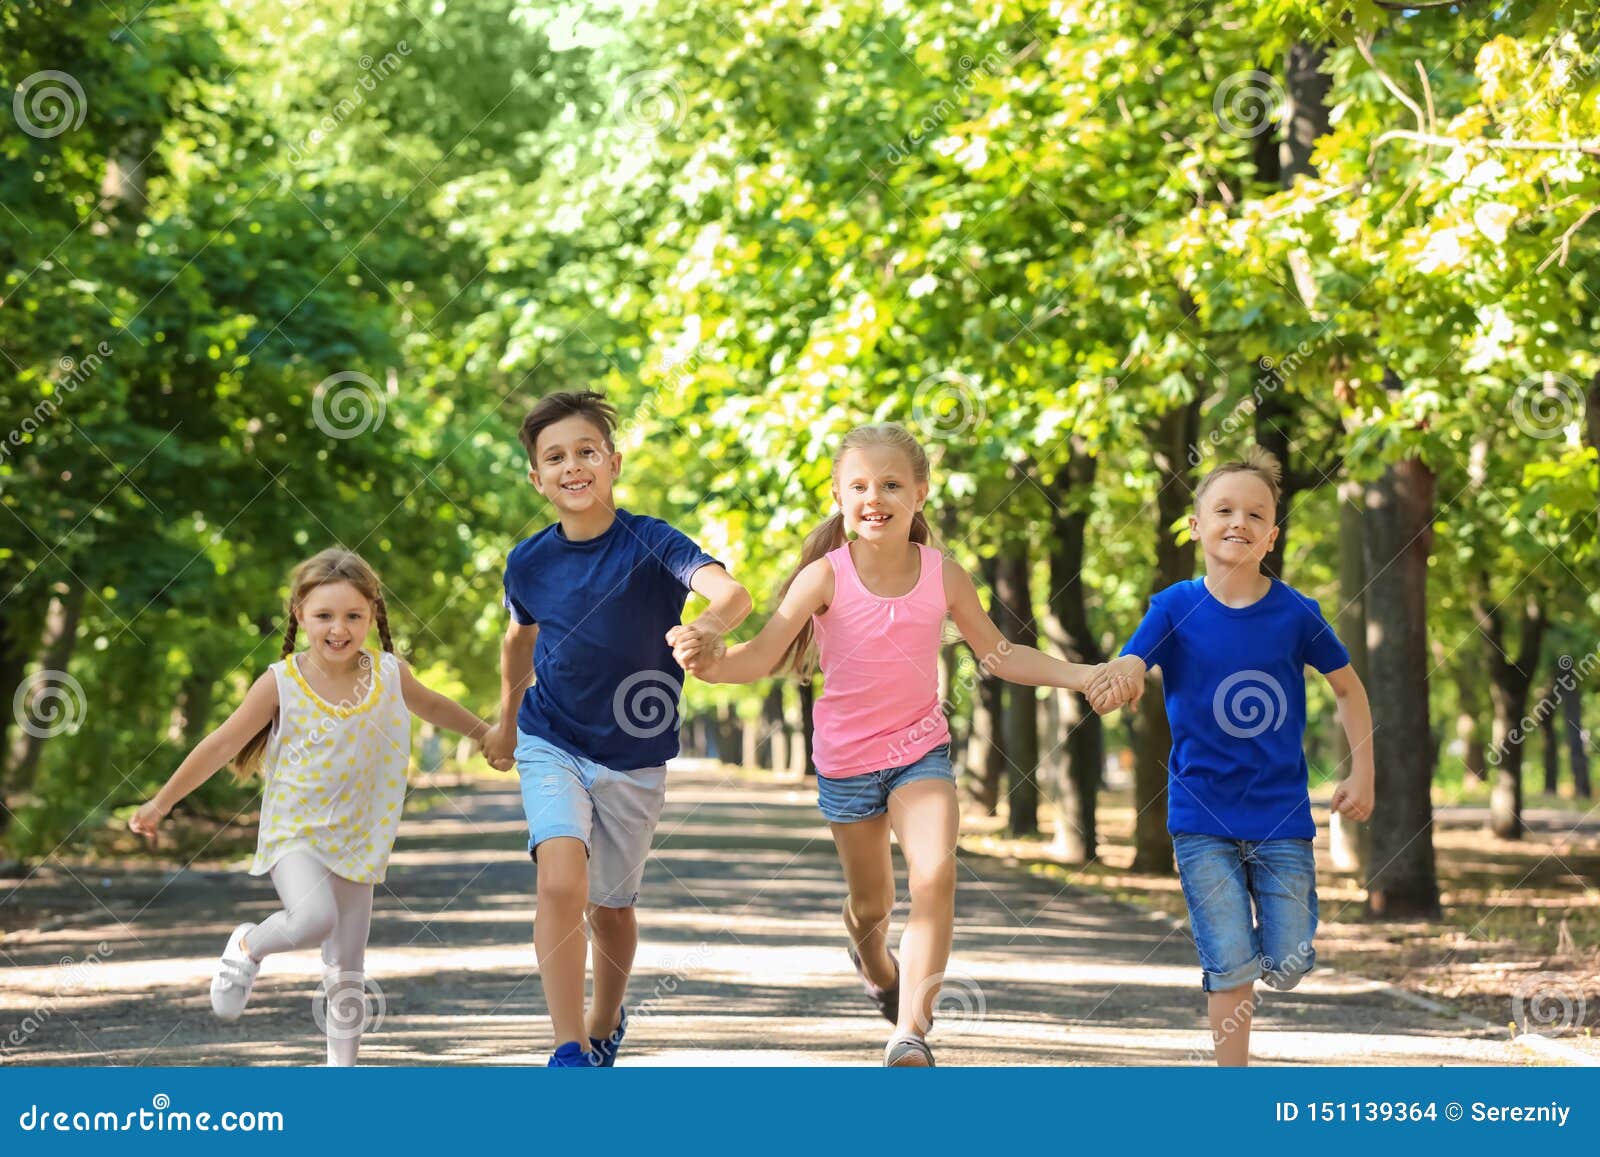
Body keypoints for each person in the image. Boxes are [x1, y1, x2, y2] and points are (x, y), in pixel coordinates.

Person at [691, 422, 1132, 1066]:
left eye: (892, 484)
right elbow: (759, 655)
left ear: (920, 494)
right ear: (838, 497)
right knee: (873, 905)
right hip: (845, 762)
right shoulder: (823, 578)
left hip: (919, 750)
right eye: (860, 485)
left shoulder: (944, 576)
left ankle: (911, 1032)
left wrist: (1083, 674)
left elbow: (1000, 654)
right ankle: (873, 959)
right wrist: (709, 663)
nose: (876, 497)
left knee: (935, 875)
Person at [131, 548, 501, 1065]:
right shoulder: (281, 682)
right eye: (324, 615)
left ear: (373, 615)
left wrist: (487, 735)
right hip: (296, 834)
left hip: (360, 835)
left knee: (347, 967)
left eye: (353, 615)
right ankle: (248, 947)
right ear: (299, 615)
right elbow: (219, 744)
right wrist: (161, 802)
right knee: (312, 919)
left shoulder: (391, 673)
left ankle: (341, 1078)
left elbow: (435, 705)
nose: (338, 628)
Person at [481, 390, 752, 1067]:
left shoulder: (653, 541)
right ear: (536, 478)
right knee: (559, 876)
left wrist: (707, 627)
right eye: (555, 457)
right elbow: (520, 641)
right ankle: (567, 1046)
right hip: (552, 738)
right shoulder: (528, 561)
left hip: (635, 753)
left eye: (586, 452)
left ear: (614, 462)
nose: (573, 466)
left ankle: (605, 1021)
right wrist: (507, 719)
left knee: (612, 907)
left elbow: (732, 593)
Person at [1088, 447, 1376, 1066]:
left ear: (1271, 536)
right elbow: (1136, 658)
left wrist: (1363, 770)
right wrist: (1123, 676)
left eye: (1254, 513)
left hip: (1280, 818)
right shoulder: (1173, 606)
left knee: (1290, 962)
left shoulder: (1297, 613)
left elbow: (1349, 689)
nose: (1237, 521)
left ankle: (1256, 953)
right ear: (1196, 526)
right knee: (1229, 963)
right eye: (1223, 509)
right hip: (1201, 819)